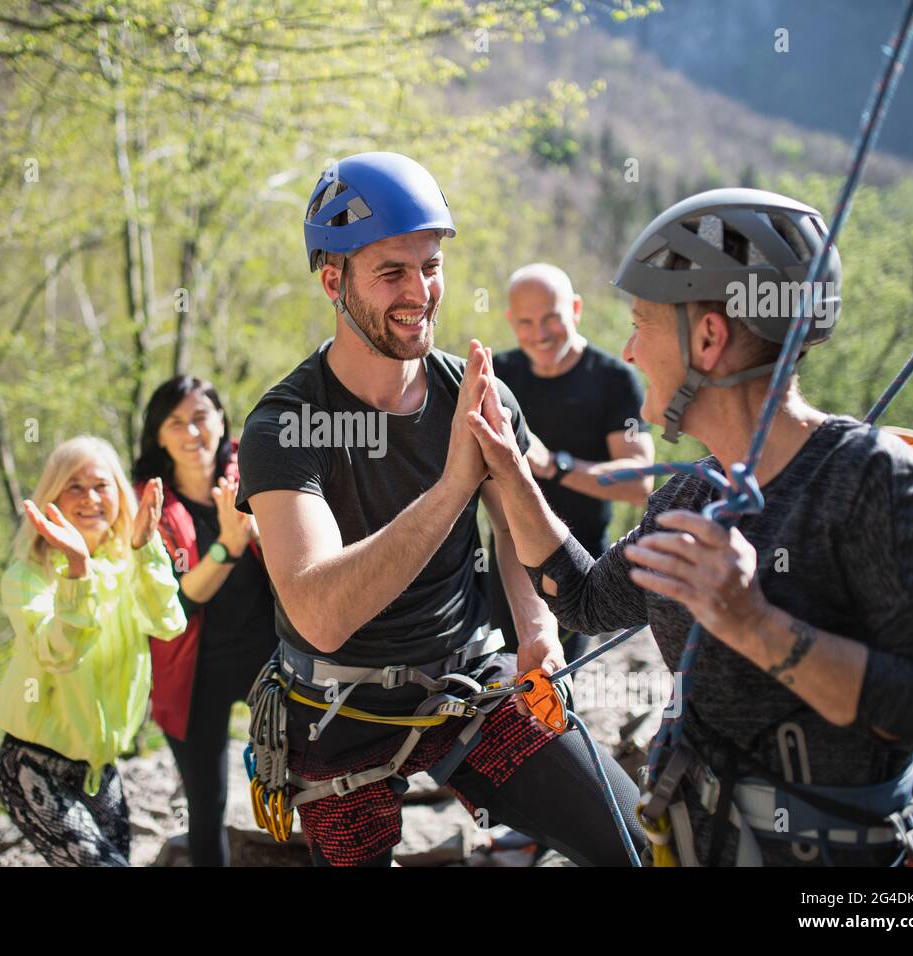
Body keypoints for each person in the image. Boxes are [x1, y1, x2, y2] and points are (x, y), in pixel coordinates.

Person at [465, 188, 913, 866]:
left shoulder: (874, 483)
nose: (629, 348)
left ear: (707, 338)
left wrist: (758, 627)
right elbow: (584, 598)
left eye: (642, 323)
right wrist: (511, 473)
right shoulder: (692, 492)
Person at [236, 151, 643, 867]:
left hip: (466, 686)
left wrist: (537, 631)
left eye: (430, 266)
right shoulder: (285, 425)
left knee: (636, 843)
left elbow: (515, 531)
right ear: (333, 280)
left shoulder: (475, 394)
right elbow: (320, 612)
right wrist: (453, 484)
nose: (420, 291)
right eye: (391, 272)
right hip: (336, 712)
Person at [0, 435, 186, 866]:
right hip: (33, 766)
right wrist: (77, 574)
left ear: (119, 493)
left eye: (101, 485)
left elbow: (169, 623)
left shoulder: (131, 564)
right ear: (52, 498)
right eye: (74, 487)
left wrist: (145, 550)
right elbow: (58, 654)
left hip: (101, 769)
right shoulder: (28, 577)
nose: (90, 498)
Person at [133, 375, 275, 867]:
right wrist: (229, 547)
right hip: (192, 670)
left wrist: (261, 533)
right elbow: (178, 602)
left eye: (200, 417)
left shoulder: (261, 469)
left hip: (269, 655)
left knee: (310, 778)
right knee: (206, 801)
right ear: (159, 434)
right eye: (177, 422)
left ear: (221, 421)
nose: (192, 432)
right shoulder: (148, 505)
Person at [488, 263, 654, 662]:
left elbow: (638, 482)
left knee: (555, 696)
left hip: (579, 571)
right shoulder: (500, 374)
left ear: (576, 309)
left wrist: (554, 466)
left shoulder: (614, 380)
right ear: (512, 321)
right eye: (526, 322)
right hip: (506, 561)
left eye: (551, 318)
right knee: (498, 693)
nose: (540, 334)